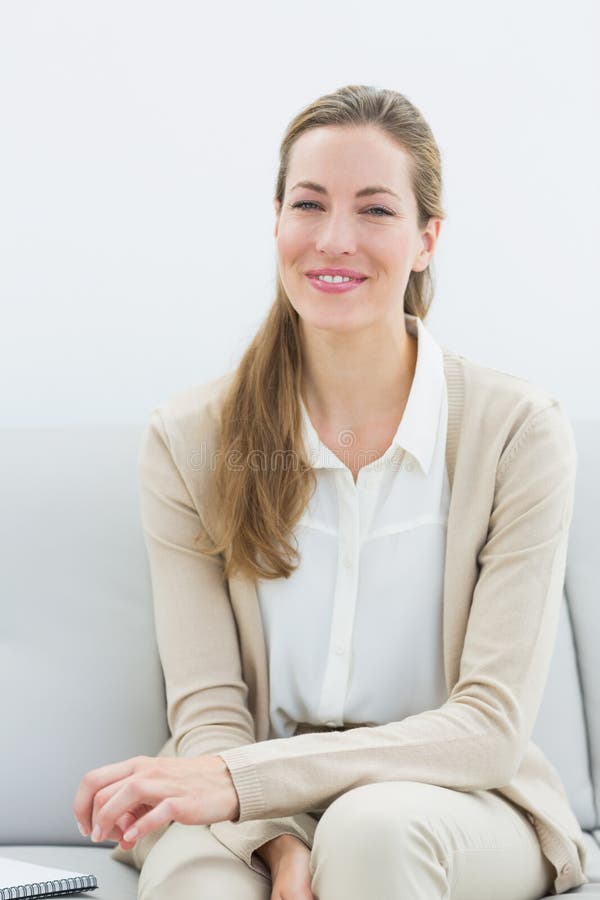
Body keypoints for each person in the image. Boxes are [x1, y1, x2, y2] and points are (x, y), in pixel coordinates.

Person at [73, 84, 588, 899]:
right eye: (308, 204)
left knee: (372, 832)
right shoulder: (189, 440)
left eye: (376, 210)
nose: (334, 239)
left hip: (456, 800)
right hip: (232, 798)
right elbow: (210, 713)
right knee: (203, 886)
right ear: (276, 221)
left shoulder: (518, 432)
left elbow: (485, 730)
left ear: (427, 238)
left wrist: (247, 781)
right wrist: (274, 838)